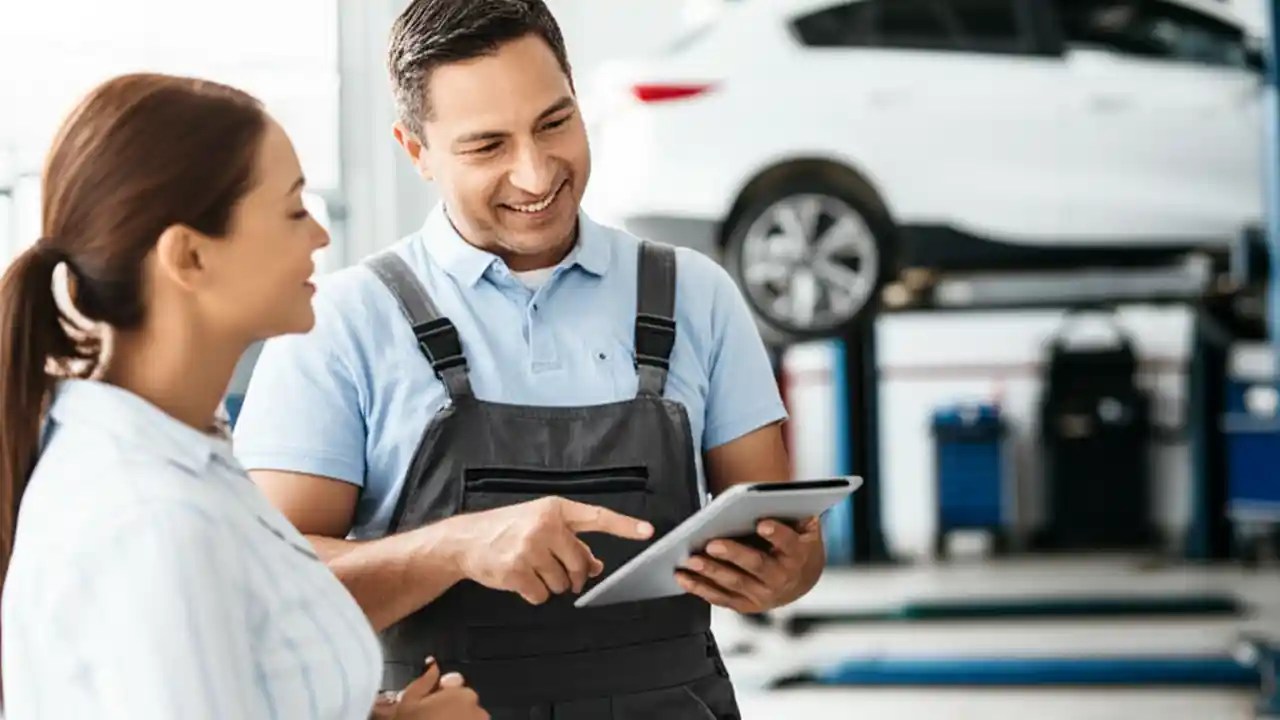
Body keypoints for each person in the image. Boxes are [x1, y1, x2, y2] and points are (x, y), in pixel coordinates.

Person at [233, 0, 828, 716]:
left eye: (555, 123)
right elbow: (268, 593)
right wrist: (455, 547)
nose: (536, 173)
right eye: (487, 146)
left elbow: (789, 547)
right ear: (415, 149)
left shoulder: (697, 296)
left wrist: (786, 573)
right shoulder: (340, 323)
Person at [0, 73, 486, 720]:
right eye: (291, 210)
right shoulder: (153, 519)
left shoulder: (188, 456)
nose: (319, 235)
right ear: (190, 257)